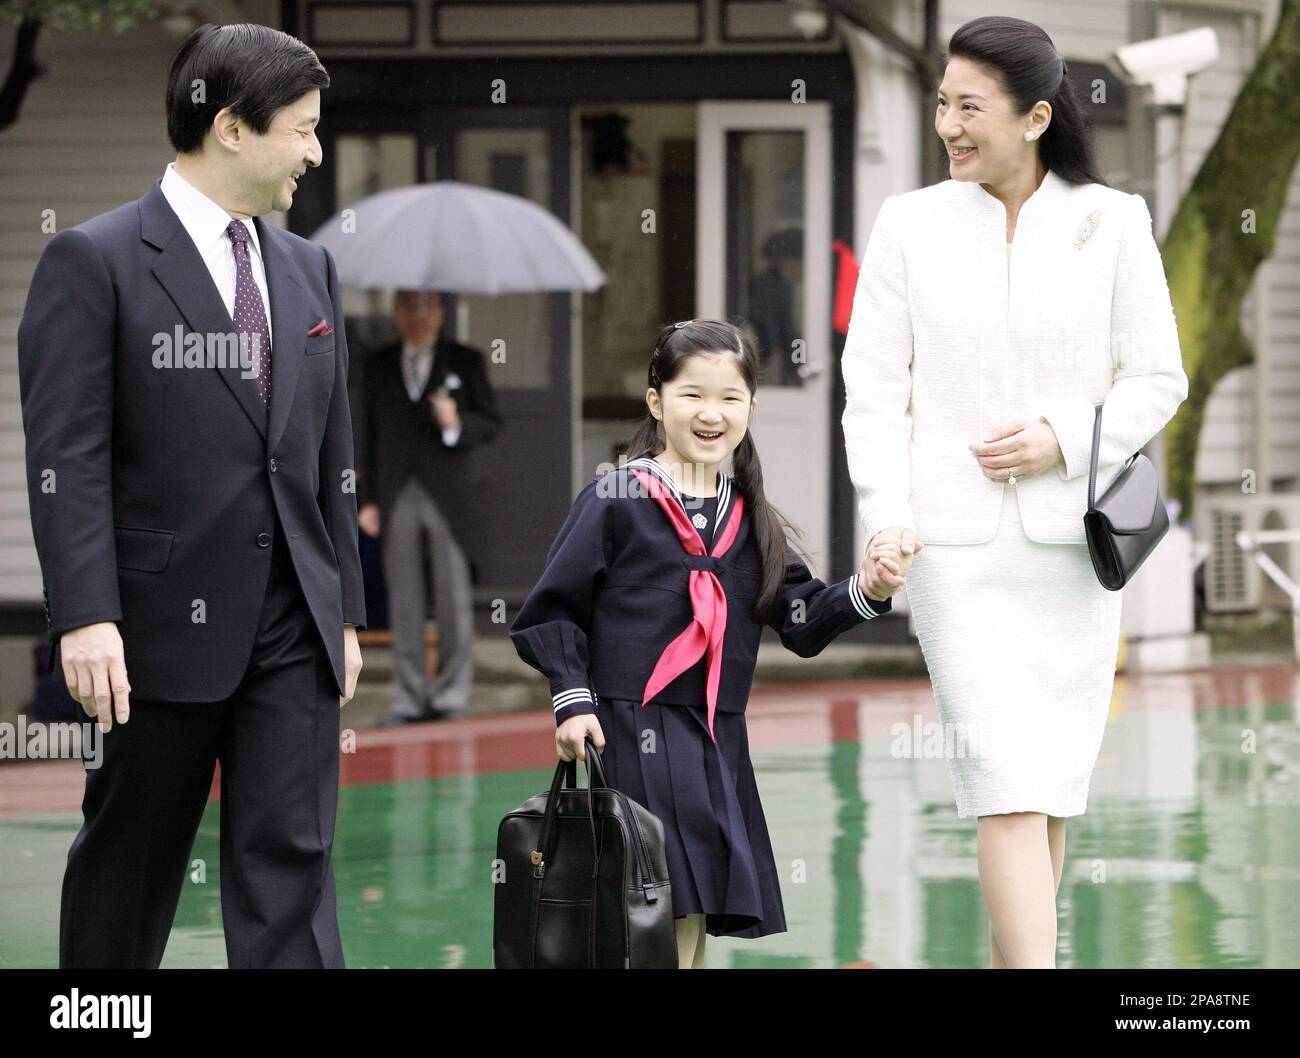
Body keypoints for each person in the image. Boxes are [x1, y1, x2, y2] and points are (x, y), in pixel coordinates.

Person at [841, 15, 1188, 968]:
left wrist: (1062, 440)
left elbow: (1160, 378)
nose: (949, 124)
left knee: (1049, 793)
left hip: (1073, 556)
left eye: (970, 107)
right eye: (942, 103)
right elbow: (871, 393)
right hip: (953, 554)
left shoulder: (1111, 222)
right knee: (1003, 781)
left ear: (1035, 117)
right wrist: (889, 519)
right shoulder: (907, 223)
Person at [17, 23, 365, 968]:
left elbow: (328, 451)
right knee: (129, 869)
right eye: (301, 128)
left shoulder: (308, 269)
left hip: (293, 627)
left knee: (294, 866)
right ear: (231, 129)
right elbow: (69, 457)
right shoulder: (95, 263)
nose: (315, 151)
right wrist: (86, 615)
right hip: (151, 632)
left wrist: (344, 613)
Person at [509, 319, 906, 969]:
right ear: (655, 401)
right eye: (692, 394)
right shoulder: (617, 498)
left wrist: (869, 585)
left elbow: (800, 619)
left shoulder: (751, 519)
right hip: (628, 730)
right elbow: (553, 611)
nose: (711, 413)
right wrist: (573, 701)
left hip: (715, 741)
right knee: (647, 903)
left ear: (752, 406)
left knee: (687, 905)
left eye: (729, 397)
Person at [357, 289, 501, 723]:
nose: (417, 317)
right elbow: (363, 433)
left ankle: (451, 696)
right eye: (407, 308)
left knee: (453, 595)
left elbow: (491, 421)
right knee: (404, 597)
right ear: (397, 315)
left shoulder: (466, 360)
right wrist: (366, 500)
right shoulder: (377, 363)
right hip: (395, 491)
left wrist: (456, 423)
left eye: (426, 308)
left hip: (449, 495)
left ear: (440, 313)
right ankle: (408, 698)